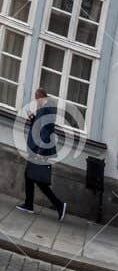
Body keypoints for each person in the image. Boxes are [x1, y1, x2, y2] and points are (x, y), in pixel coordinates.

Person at [16, 89, 66, 220]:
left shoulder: (47, 110)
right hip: (37, 149)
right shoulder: (43, 110)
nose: (35, 102)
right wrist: (32, 119)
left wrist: (40, 152)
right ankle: (29, 204)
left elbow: (45, 132)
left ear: (41, 97)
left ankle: (59, 205)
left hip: (40, 151)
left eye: (36, 98)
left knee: (39, 181)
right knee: (30, 176)